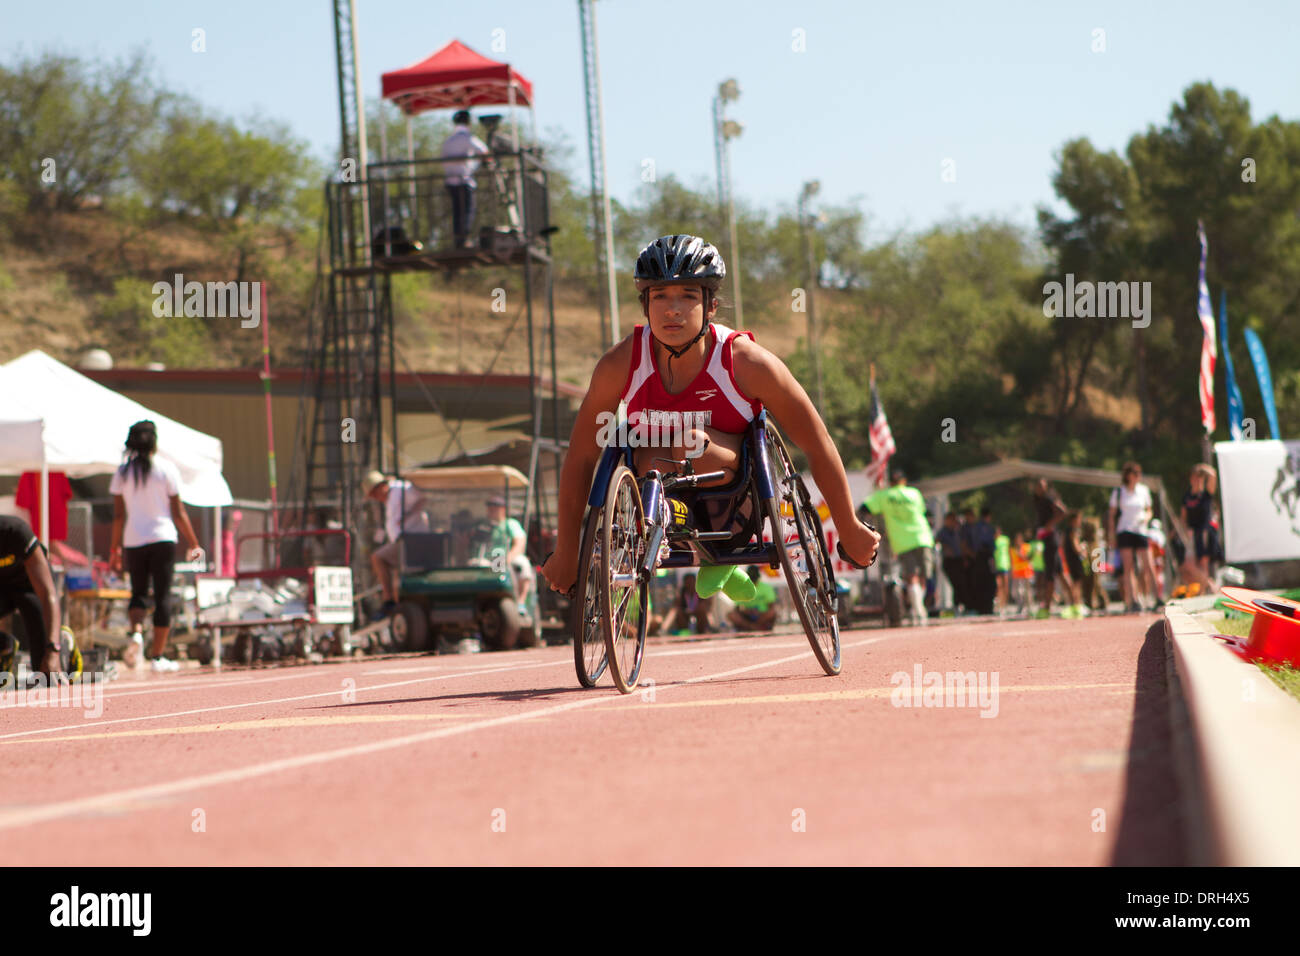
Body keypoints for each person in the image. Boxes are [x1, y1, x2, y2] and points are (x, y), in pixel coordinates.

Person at [540, 235, 880, 602]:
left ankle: (717, 555)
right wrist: (567, 549)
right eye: (660, 297)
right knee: (650, 455)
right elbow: (581, 458)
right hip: (649, 492)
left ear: (711, 305)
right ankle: (671, 529)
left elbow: (816, 441)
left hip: (733, 498)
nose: (673, 309)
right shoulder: (619, 363)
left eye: (687, 296)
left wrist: (849, 527)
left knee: (690, 441)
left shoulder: (748, 363)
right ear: (645, 306)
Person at [108, 420, 203, 671]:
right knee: (162, 596)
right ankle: (158, 656)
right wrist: (193, 543)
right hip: (162, 537)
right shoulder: (166, 469)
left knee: (137, 592)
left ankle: (137, 633)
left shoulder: (122, 473)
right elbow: (179, 511)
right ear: (155, 442)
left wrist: (114, 550)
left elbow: (118, 516)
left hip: (133, 539)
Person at [0, 513, 67, 683]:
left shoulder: (15, 531)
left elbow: (47, 593)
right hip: (3, 590)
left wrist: (53, 650)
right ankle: (4, 645)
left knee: (45, 672)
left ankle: (64, 643)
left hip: (30, 588)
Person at [863, 470, 933, 626]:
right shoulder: (914, 493)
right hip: (923, 537)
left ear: (891, 483)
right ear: (904, 480)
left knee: (911, 575)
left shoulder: (884, 495)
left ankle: (917, 608)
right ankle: (918, 608)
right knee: (924, 575)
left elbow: (865, 508)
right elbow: (924, 512)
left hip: (902, 541)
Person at [362, 470, 429, 618]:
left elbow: (422, 499)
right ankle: (397, 605)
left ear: (381, 486)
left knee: (378, 558)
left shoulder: (401, 489)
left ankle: (388, 601)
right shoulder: (391, 496)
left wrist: (408, 516)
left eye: (374, 493)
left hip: (412, 541)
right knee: (394, 572)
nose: (375, 498)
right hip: (403, 541)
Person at [1107, 461, 1156, 614]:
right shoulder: (1119, 492)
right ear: (1128, 475)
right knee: (1129, 568)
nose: (1138, 477)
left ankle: (1156, 597)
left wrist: (1146, 518)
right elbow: (1112, 515)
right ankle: (1132, 600)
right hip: (1125, 531)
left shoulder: (1143, 491)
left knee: (1148, 564)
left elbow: (1149, 510)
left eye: (1139, 474)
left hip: (1141, 530)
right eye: (1135, 474)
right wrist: (1111, 534)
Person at [440, 109, 491, 249]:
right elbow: (484, 151)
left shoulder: (449, 141)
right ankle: (463, 240)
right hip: (463, 181)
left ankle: (458, 240)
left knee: (457, 213)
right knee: (467, 212)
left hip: (450, 182)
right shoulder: (467, 138)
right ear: (468, 122)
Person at [1177, 464, 1218, 596]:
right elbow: (1183, 518)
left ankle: (1204, 590)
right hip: (1192, 533)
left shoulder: (1205, 495)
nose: (1197, 480)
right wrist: (1184, 533)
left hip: (1204, 532)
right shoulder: (1187, 496)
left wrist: (1201, 468)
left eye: (1199, 478)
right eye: (1194, 477)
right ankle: (1209, 585)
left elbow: (1212, 474)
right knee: (1187, 565)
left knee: (1202, 564)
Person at [485, 495, 534, 606]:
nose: (491, 510)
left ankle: (521, 602)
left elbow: (520, 542)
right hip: (491, 559)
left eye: (494, 507)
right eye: (489, 507)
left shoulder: (510, 523)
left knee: (523, 564)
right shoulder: (489, 527)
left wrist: (508, 558)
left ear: (503, 509)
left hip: (507, 558)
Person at [1030, 478, 1068, 618]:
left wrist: (1049, 525)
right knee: (1060, 573)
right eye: (1037, 485)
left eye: (1041, 485)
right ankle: (1075, 602)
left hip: (1051, 539)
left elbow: (1062, 511)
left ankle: (1047, 608)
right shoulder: (1038, 500)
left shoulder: (1049, 498)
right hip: (1046, 539)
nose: (1039, 488)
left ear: (1046, 487)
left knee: (1050, 574)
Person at [727, 566, 779, 632]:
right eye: (752, 579)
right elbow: (737, 608)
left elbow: (771, 606)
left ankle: (751, 627)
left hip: (761, 615)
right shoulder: (741, 588)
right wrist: (746, 611)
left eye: (754, 579)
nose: (753, 581)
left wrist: (760, 613)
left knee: (772, 612)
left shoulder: (766, 588)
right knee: (731, 615)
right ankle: (756, 627)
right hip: (747, 616)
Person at [935, 512, 966, 613]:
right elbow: (936, 541)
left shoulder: (958, 530)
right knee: (955, 582)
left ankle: (961, 604)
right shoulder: (943, 532)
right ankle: (957, 605)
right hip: (950, 561)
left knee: (961, 582)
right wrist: (945, 546)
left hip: (959, 559)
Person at [993, 525, 1011, 615]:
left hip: (1005, 564)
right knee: (999, 586)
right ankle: (999, 604)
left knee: (1005, 585)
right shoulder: (994, 541)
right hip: (998, 565)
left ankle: (1004, 604)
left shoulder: (1005, 540)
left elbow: (1009, 551)